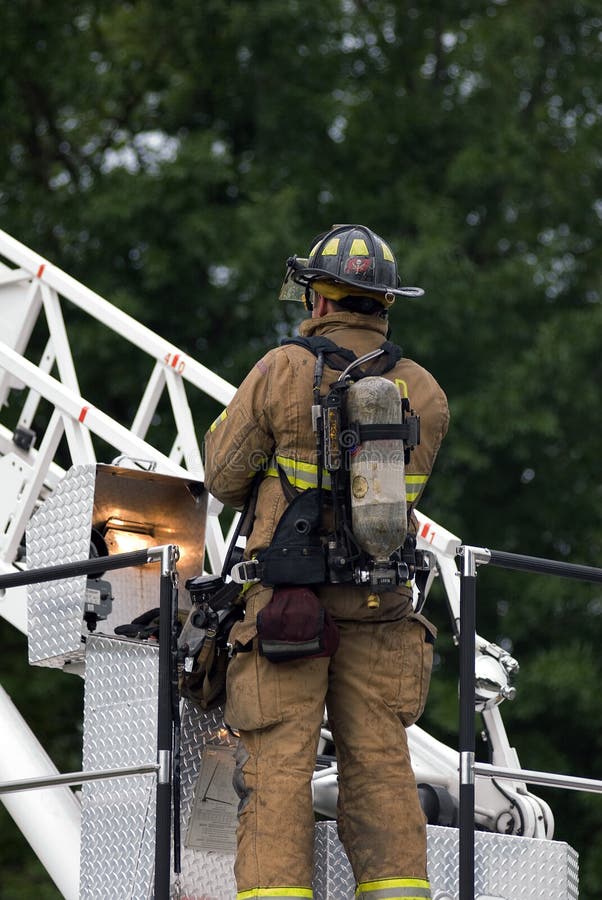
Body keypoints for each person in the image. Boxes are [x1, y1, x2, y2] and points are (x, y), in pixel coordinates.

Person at [204, 224, 449, 900]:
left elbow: (223, 476)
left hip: (289, 609)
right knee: (382, 769)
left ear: (318, 299)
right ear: (385, 302)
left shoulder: (283, 370)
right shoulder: (423, 391)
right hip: (382, 605)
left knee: (279, 769)